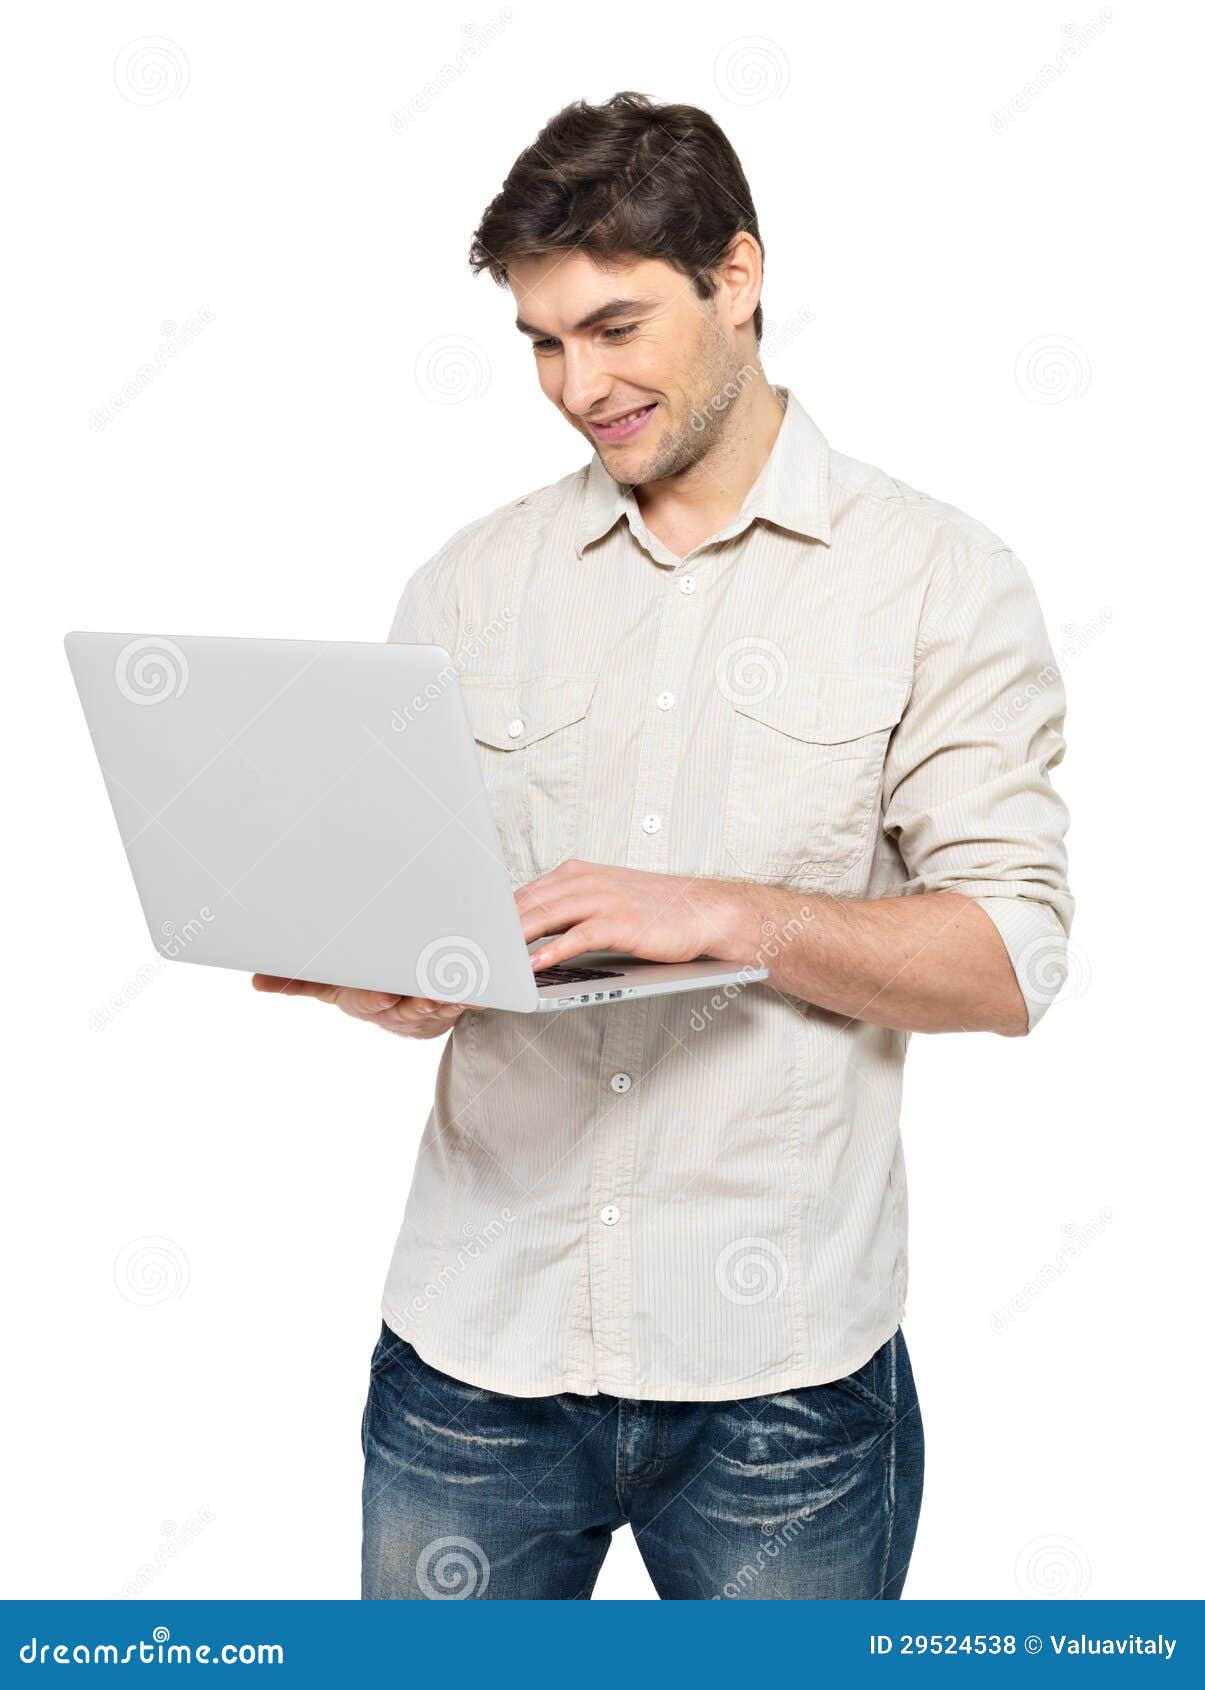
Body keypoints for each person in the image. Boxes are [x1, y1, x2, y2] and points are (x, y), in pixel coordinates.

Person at [254, 92, 1073, 1600]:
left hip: (785, 1383)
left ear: (739, 277)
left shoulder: (937, 582)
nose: (579, 384)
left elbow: (1010, 959)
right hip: (473, 1356)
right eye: (545, 343)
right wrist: (391, 973)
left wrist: (728, 913)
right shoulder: (469, 582)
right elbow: (438, 928)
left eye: (618, 327)